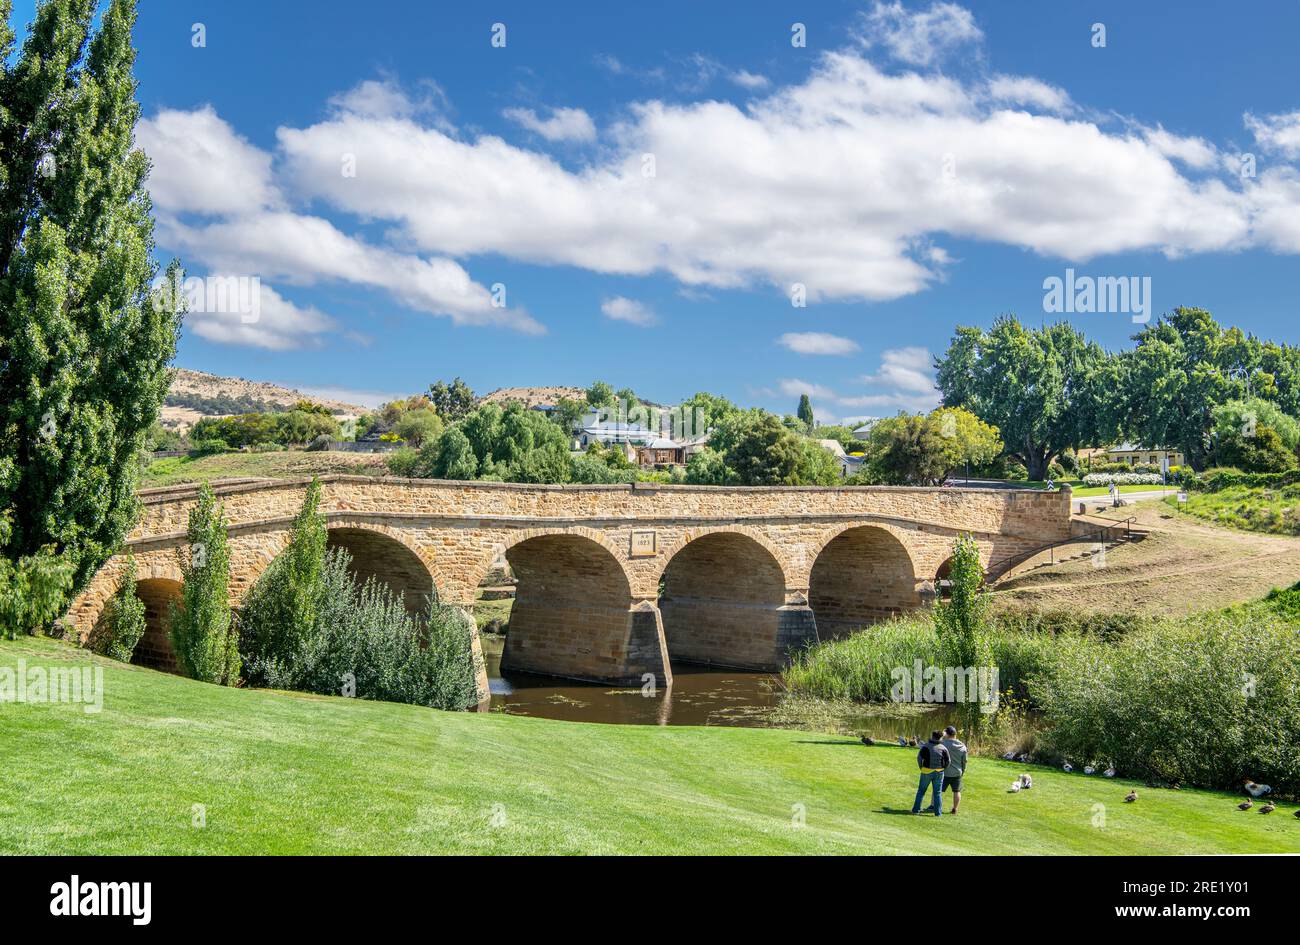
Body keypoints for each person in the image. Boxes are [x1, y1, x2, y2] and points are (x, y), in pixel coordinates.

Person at [911, 730, 950, 817]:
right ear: (941, 737)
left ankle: (916, 810)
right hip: (939, 772)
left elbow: (919, 758)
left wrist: (921, 767)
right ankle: (938, 813)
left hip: (926, 771)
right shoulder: (943, 748)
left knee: (921, 791)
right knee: (937, 793)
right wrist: (943, 768)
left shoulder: (926, 746)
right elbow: (948, 761)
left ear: (932, 736)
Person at [941, 725, 968, 814]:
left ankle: (934, 806)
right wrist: (962, 771)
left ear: (947, 734)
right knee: (957, 791)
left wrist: (942, 735)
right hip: (957, 772)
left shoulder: (943, 743)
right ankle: (955, 809)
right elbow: (964, 761)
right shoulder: (962, 746)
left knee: (938, 790)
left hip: (945, 771)